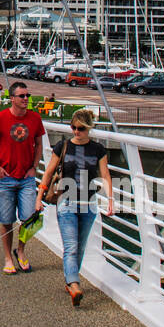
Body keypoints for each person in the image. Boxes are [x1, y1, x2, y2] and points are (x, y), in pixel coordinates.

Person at [35, 108, 113, 307]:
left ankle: (70, 280)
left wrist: (111, 199)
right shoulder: (63, 146)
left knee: (80, 247)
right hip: (67, 203)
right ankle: (74, 284)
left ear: (88, 129)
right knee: (70, 247)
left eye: (80, 129)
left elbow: (105, 175)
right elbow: (49, 172)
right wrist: (39, 197)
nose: (76, 132)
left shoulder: (98, 149)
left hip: (89, 204)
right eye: (73, 128)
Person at [0, 80, 45, 276]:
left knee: (28, 219)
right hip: (6, 178)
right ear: (12, 98)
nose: (26, 99)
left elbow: (39, 144)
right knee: (6, 220)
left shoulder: (35, 119)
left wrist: (34, 167)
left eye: (27, 95)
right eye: (22, 96)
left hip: (26, 177)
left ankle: (20, 250)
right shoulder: (0, 118)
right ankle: (8, 258)